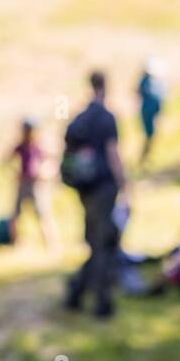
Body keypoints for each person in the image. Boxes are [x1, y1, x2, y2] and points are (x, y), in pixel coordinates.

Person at [63, 70, 127, 318]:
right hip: (102, 189)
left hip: (85, 190)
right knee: (103, 243)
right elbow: (113, 155)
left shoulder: (81, 118)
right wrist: (124, 185)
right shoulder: (105, 119)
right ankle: (99, 300)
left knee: (98, 241)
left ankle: (77, 292)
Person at [0, 116, 59, 253]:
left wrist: (46, 173)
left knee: (43, 214)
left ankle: (51, 244)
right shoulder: (20, 146)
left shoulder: (39, 146)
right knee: (15, 215)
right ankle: (15, 243)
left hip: (36, 185)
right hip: (23, 184)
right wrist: (14, 174)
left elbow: (52, 162)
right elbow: (6, 161)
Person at [137, 58, 167, 168]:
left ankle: (146, 157)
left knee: (152, 135)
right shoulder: (145, 81)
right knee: (149, 135)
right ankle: (143, 158)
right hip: (147, 112)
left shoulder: (157, 82)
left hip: (153, 112)